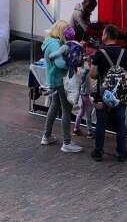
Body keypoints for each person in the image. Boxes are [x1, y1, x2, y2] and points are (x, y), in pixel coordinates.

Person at [89, 24, 127, 162]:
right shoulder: (126, 53)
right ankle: (121, 152)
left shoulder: (99, 53)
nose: (101, 36)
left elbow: (93, 74)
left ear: (107, 35)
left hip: (103, 95)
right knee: (121, 123)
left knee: (101, 122)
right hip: (120, 95)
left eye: (103, 33)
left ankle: (98, 152)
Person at [40, 20, 82, 153]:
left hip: (54, 80)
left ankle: (46, 136)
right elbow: (59, 63)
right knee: (66, 110)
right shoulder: (55, 45)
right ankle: (67, 143)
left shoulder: (50, 42)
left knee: (54, 106)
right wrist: (72, 63)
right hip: (61, 81)